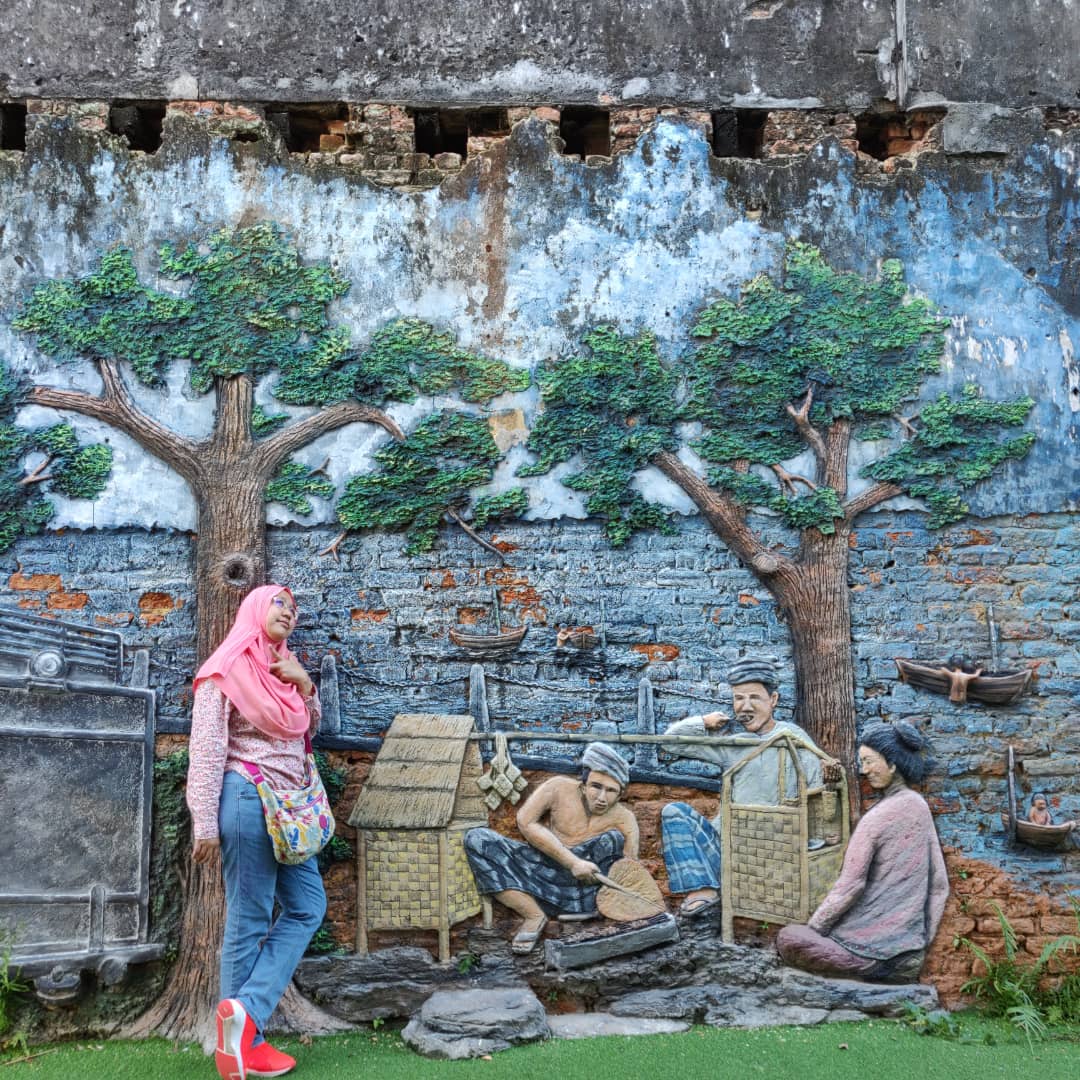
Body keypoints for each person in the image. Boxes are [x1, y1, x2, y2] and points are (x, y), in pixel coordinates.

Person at [187, 584, 325, 1080]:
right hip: (247, 797)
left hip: (291, 809)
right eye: (279, 602)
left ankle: (242, 1017)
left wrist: (305, 685)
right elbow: (205, 747)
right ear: (253, 609)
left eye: (294, 607)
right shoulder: (225, 668)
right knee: (248, 918)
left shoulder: (285, 670)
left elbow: (308, 733)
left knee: (308, 906)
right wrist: (204, 820)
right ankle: (244, 1046)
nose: (288, 611)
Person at [775, 721, 949, 983]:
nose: (864, 770)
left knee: (789, 937)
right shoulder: (919, 806)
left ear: (892, 763)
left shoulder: (877, 817)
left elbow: (851, 885)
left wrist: (814, 930)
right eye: (862, 762)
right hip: (909, 953)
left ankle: (878, 968)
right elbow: (940, 886)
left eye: (869, 761)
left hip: (868, 952)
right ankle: (901, 965)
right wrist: (921, 944)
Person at [661, 656, 828, 916]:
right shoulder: (735, 743)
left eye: (754, 698)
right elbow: (671, 743)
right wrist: (704, 722)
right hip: (727, 849)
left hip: (770, 850)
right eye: (739, 698)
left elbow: (816, 791)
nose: (745, 707)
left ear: (773, 700)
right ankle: (704, 890)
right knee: (673, 813)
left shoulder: (792, 738)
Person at [464, 742, 640, 954]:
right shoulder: (558, 787)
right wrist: (573, 862)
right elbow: (525, 821)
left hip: (587, 893)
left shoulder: (625, 819)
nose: (602, 798)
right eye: (596, 786)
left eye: (611, 791)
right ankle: (533, 915)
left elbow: (630, 872)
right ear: (583, 785)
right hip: (542, 872)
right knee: (477, 839)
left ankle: (594, 915)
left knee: (612, 839)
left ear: (620, 794)